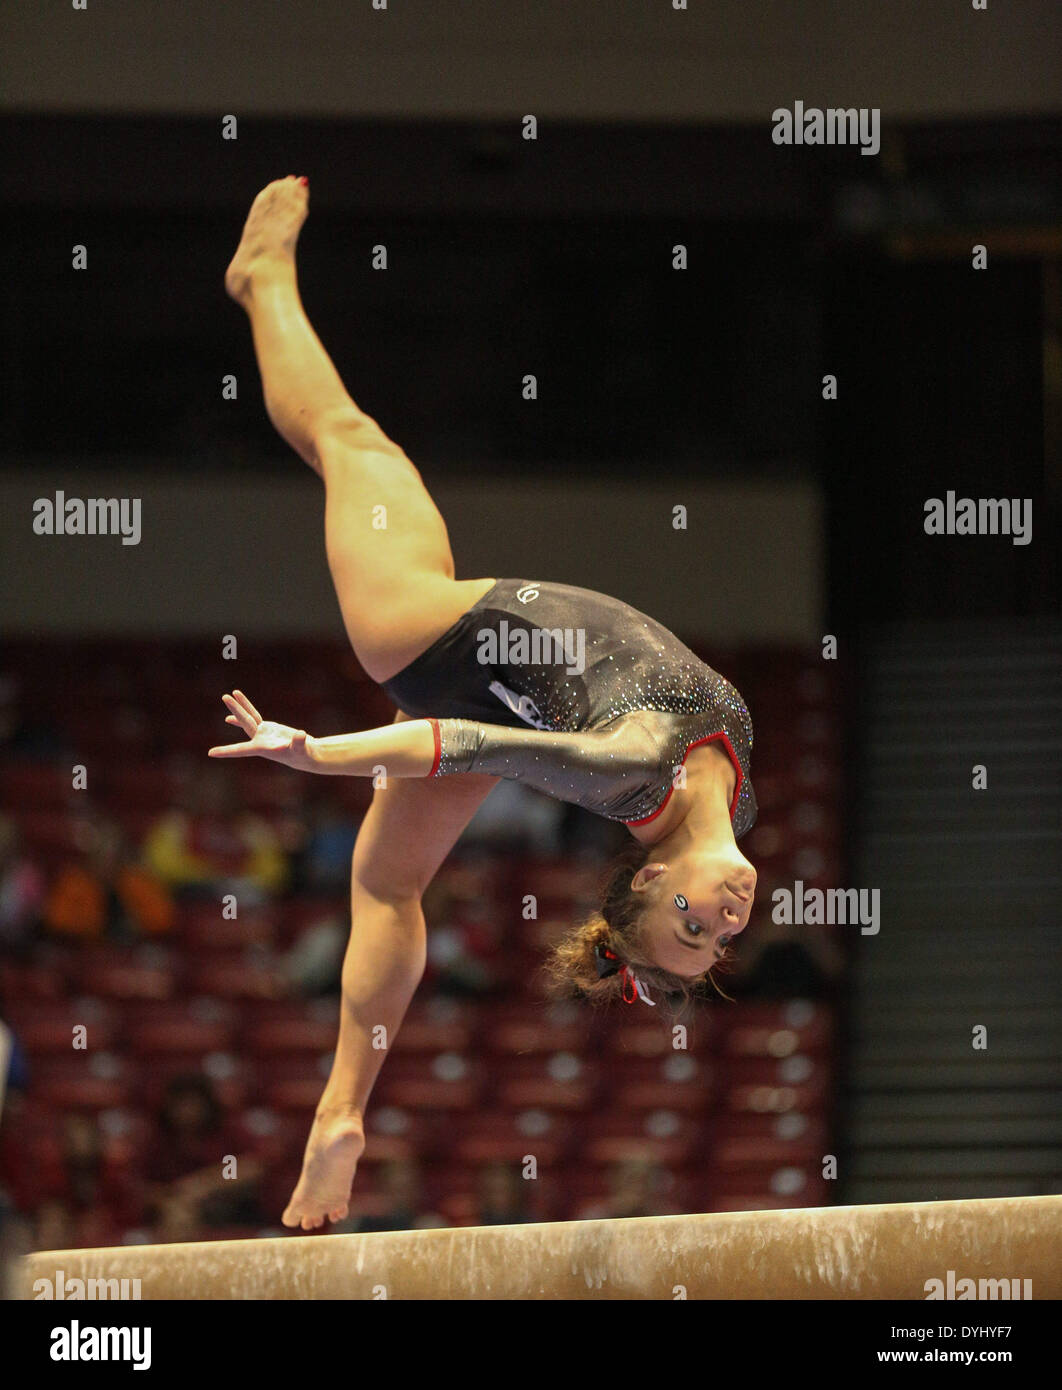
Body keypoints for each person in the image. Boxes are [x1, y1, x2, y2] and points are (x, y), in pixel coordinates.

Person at [216, 177, 760, 1230]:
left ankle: (261, 283)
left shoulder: (634, 764)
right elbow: (489, 748)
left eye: (689, 921)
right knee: (387, 888)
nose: (725, 920)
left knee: (347, 437)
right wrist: (648, 960)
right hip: (480, 658)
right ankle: (340, 1116)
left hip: (429, 635)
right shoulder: (730, 810)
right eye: (720, 938)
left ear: (653, 877)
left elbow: (463, 739)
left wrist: (317, 752)